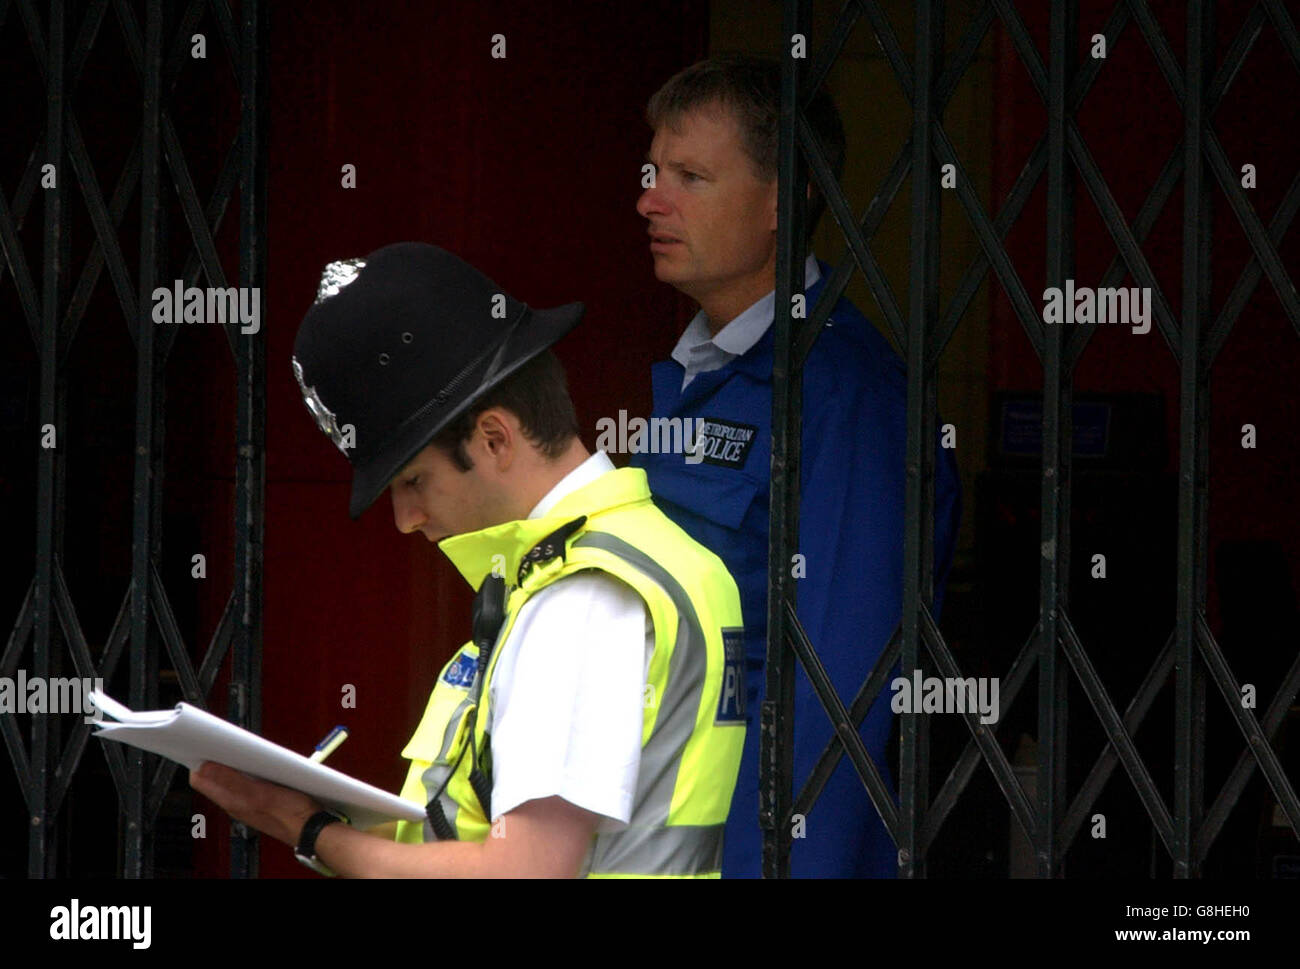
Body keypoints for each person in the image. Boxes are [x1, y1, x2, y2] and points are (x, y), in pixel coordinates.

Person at [190, 242, 747, 877]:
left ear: (494, 439)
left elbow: (524, 870)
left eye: (413, 481)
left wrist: (310, 830)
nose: (405, 519)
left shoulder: (582, 594)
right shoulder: (642, 556)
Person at [631, 54, 961, 877]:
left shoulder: (844, 393)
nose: (650, 200)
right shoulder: (695, 373)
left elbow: (837, 698)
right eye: (654, 172)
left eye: (691, 177)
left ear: (786, 198)